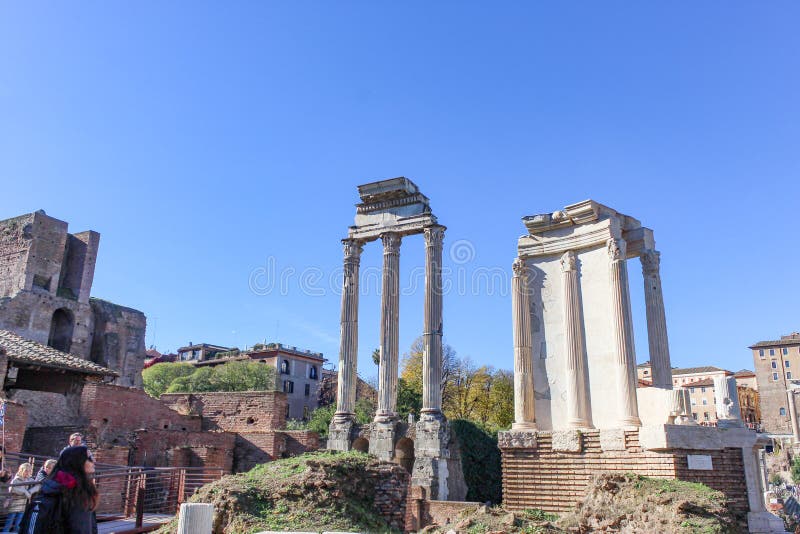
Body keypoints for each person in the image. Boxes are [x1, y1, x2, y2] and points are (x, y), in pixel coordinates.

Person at [21, 446, 98, 534]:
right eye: (89, 457)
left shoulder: (52, 487)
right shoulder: (70, 492)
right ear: (77, 462)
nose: (93, 460)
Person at [4, 462, 34, 532]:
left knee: (18, 524)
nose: (27, 473)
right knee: (9, 522)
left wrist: (30, 492)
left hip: (22, 506)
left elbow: (38, 484)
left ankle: (15, 532)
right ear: (21, 470)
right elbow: (12, 489)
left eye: (29, 471)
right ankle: (5, 532)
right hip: (14, 505)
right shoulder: (16, 480)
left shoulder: (29, 479)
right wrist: (25, 492)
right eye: (26, 471)